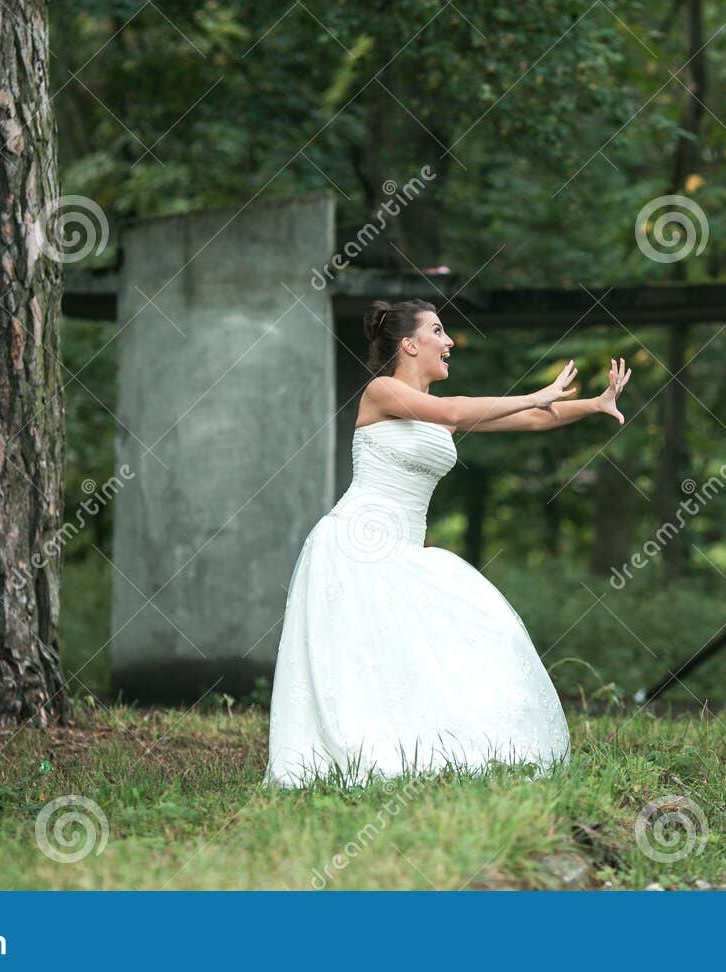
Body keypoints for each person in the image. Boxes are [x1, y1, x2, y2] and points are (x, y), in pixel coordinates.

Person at [264, 298, 632, 787]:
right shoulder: (382, 391)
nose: (450, 341)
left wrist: (594, 403)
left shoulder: (442, 416)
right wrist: (534, 393)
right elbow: (455, 408)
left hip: (403, 550)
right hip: (357, 542)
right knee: (359, 663)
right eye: (438, 331)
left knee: (461, 637)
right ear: (410, 345)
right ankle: (349, 759)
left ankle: (430, 750)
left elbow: (536, 420)